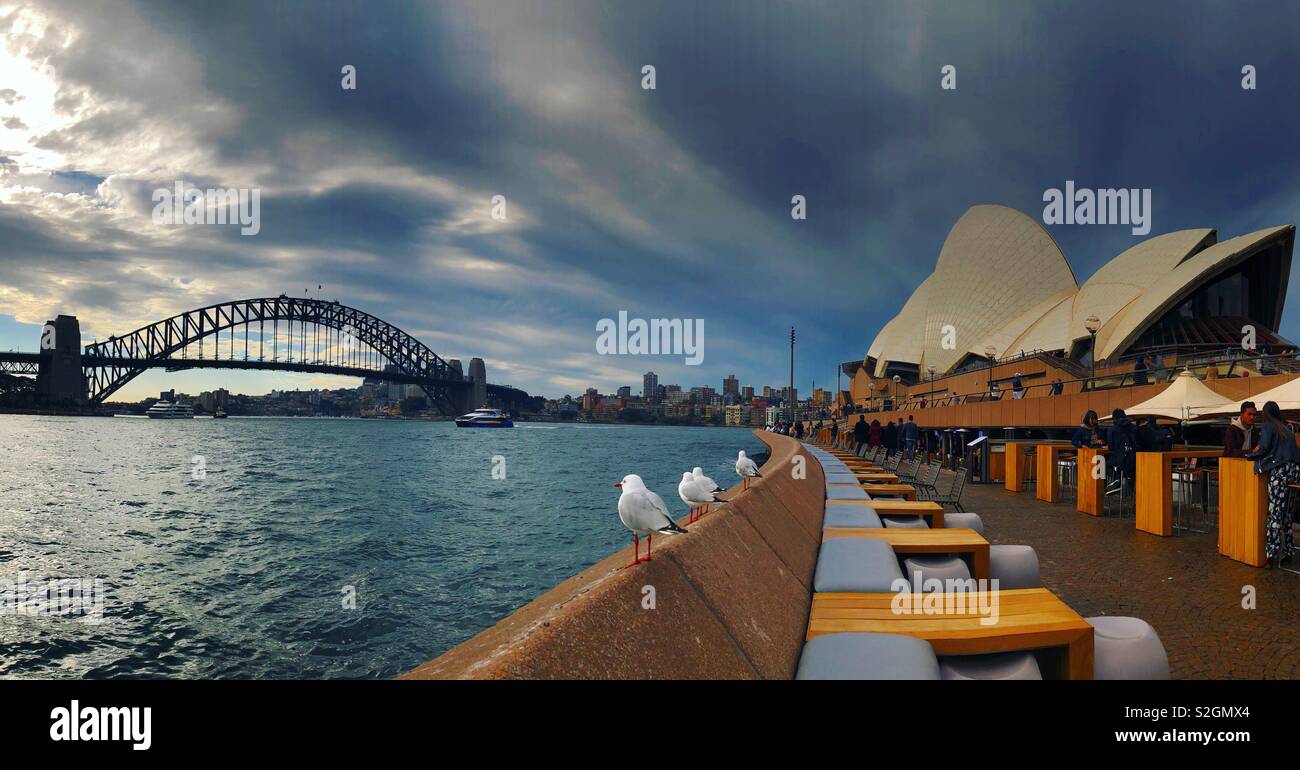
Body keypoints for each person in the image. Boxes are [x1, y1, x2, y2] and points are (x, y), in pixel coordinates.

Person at [1245, 401, 1300, 568]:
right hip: (1294, 472)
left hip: (1279, 472)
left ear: (1266, 413)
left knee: (1274, 513)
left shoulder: (1269, 427)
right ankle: (1289, 551)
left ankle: (1271, 555)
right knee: (1287, 515)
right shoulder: (1287, 429)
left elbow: (1265, 449)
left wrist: (1250, 457)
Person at [1106, 408, 1139, 487]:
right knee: (1129, 468)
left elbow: (1111, 447)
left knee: (1105, 464)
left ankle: (1116, 479)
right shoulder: (1134, 427)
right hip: (1134, 459)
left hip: (1119, 460)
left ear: (1114, 418)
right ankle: (1129, 490)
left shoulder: (1112, 429)